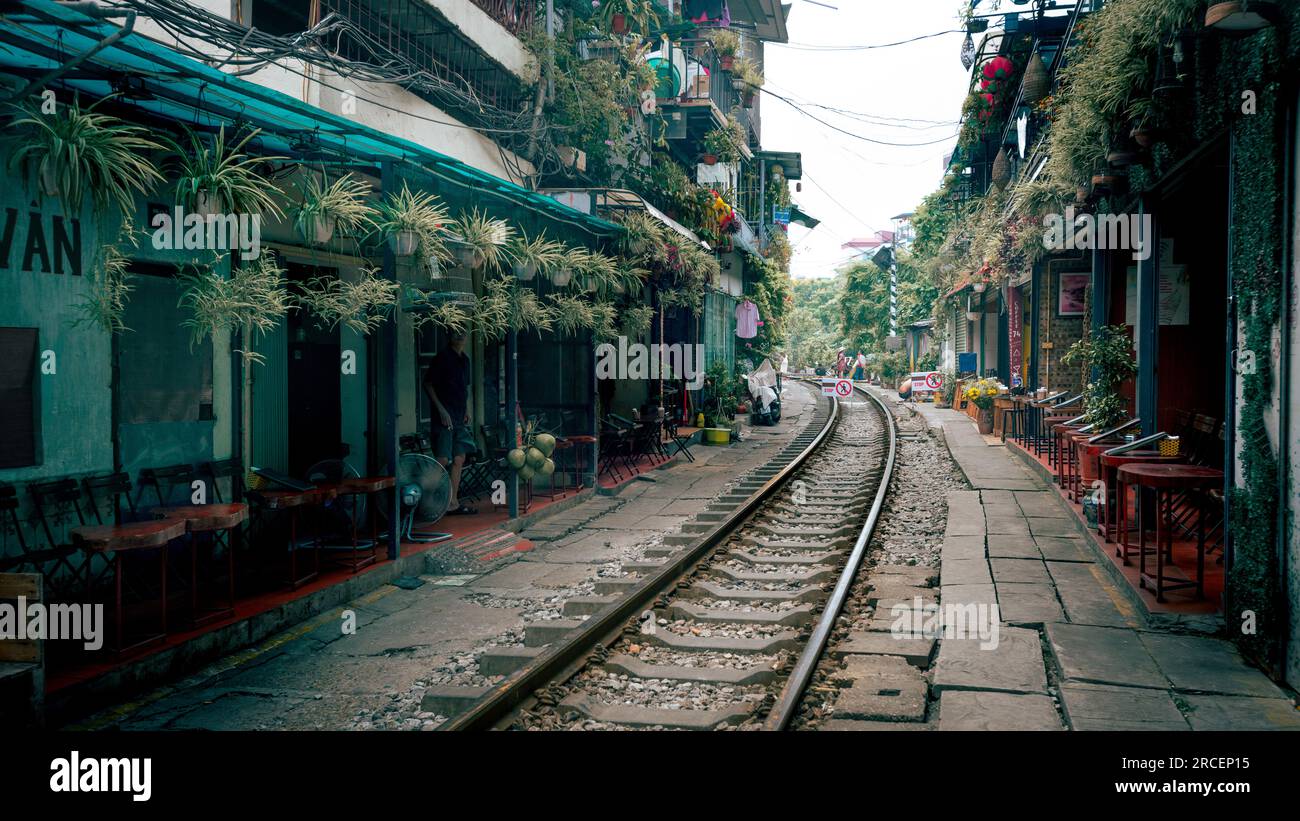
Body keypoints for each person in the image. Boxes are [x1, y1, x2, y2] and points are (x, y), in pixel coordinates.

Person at [424, 332, 477, 515]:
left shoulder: (465, 360)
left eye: (463, 332)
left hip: (459, 414)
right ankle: (424, 499)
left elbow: (465, 388)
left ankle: (452, 502)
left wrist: (467, 410)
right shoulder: (442, 358)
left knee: (459, 458)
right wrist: (441, 410)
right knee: (443, 459)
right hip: (444, 416)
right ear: (449, 335)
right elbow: (428, 384)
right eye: (456, 332)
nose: (461, 335)